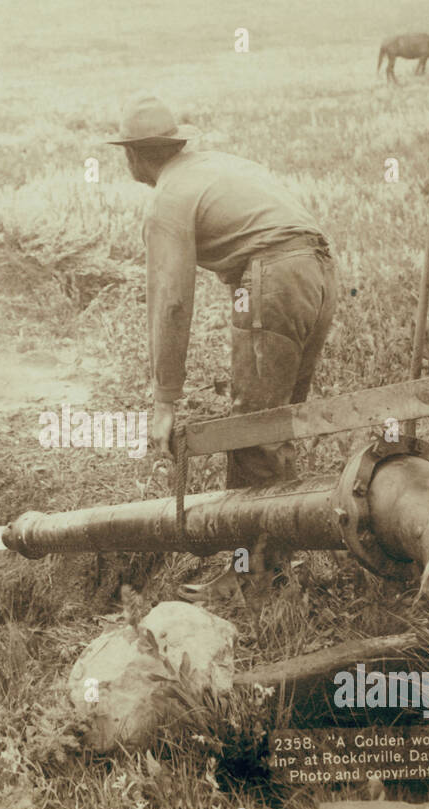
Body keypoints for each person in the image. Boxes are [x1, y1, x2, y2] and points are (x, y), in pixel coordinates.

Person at [109, 92, 337, 599]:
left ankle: (249, 580)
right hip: (319, 272)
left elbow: (171, 303)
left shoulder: (167, 197)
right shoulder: (216, 165)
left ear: (133, 154)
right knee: (277, 425)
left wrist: (164, 401)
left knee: (252, 428)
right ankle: (275, 567)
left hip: (275, 277)